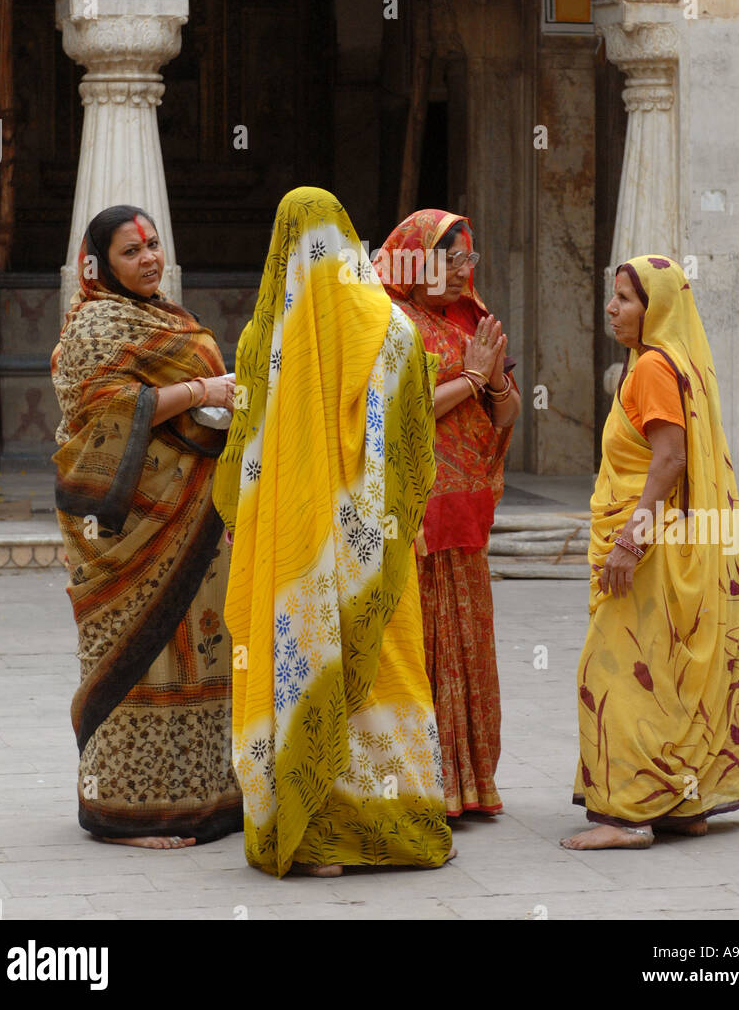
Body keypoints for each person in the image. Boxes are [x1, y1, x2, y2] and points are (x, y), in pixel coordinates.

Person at [212, 186, 454, 877]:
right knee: (382, 673)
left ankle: (311, 835)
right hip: (370, 551)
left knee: (298, 673)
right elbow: (411, 430)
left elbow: (246, 452)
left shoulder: (261, 338)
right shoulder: (388, 327)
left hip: (291, 552)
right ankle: (392, 828)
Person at [51, 204, 242, 849]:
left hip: (197, 511)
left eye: (153, 244)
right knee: (136, 653)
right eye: (131, 252)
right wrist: (203, 393)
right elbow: (100, 415)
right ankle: (129, 813)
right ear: (101, 262)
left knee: (200, 644)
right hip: (129, 524)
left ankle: (201, 796)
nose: (149, 259)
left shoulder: (168, 315)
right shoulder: (96, 324)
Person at [561, 255, 739, 850]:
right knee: (668, 670)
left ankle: (627, 816)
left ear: (657, 309)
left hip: (648, 551)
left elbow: (669, 460)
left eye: (626, 299)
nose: (613, 309)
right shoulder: (683, 364)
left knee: (613, 671)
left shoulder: (650, 368)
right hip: (677, 549)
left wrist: (629, 539)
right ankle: (682, 804)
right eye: (614, 296)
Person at [374, 210, 520, 818]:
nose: (462, 272)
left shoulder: (472, 320)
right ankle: (426, 782)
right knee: (426, 639)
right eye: (448, 260)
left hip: (464, 507)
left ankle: (471, 781)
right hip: (414, 509)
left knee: (468, 638)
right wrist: (472, 375)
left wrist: (492, 386)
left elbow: (505, 417)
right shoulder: (390, 325)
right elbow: (400, 412)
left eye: (469, 260)